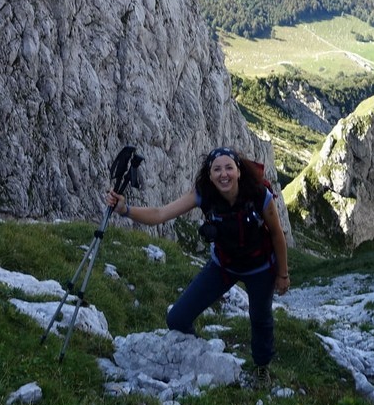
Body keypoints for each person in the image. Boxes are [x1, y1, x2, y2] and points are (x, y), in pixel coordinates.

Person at [107, 146, 290, 389]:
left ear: (238, 171)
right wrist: (125, 210)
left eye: (228, 168)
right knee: (177, 318)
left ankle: (261, 368)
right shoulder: (204, 194)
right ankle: (198, 349)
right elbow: (161, 213)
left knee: (261, 319)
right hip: (223, 266)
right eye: (217, 169)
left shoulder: (259, 195)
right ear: (210, 174)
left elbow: (277, 234)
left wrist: (283, 275)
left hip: (260, 268)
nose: (223, 174)